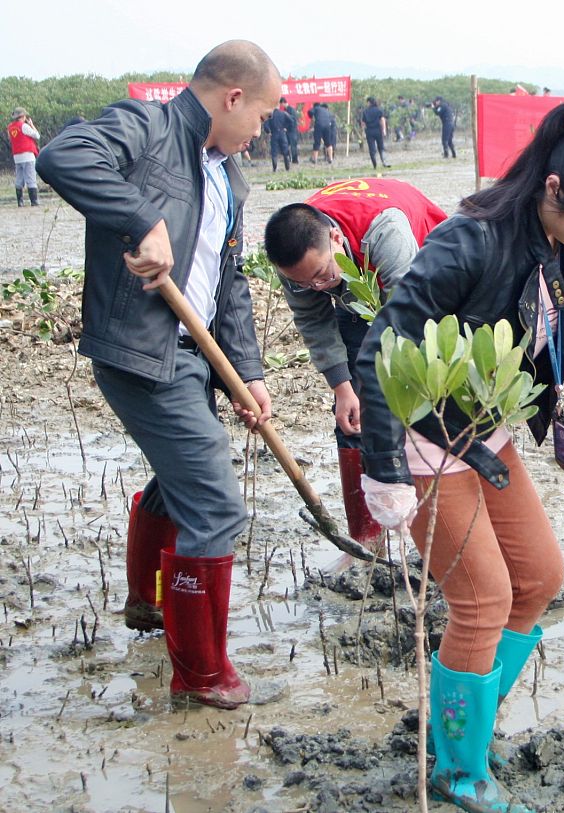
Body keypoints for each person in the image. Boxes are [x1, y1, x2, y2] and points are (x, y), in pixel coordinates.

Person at [355, 100, 564, 812]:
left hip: (487, 432)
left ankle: (469, 726)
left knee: (541, 576)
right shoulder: (469, 241)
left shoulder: (562, 247)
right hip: (430, 439)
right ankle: (460, 771)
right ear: (555, 190)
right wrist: (382, 469)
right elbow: (377, 352)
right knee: (482, 597)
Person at [36, 40, 282, 711]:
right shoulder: (145, 128)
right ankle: (201, 674)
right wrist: (141, 219)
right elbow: (63, 157)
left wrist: (246, 374)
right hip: (143, 352)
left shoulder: (230, 178)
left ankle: (147, 600)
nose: (261, 131)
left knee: (179, 484)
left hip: (195, 354)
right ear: (233, 97)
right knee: (216, 504)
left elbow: (227, 286)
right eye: (260, 115)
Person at [263, 179, 447, 552]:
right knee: (354, 415)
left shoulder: (385, 231)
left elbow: (412, 324)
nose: (315, 286)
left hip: (421, 284)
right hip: (356, 290)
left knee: (423, 405)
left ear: (334, 238)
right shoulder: (298, 265)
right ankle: (367, 541)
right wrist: (343, 389)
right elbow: (315, 323)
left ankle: (435, 533)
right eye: (304, 282)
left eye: (320, 274)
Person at [8, 108, 41, 206]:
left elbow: (11, 140)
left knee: (19, 178)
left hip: (17, 157)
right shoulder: (24, 126)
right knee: (31, 179)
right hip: (28, 156)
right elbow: (37, 136)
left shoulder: (10, 127)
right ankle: (34, 201)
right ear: (22, 117)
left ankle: (20, 202)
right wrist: (32, 125)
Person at [360, 96, 389, 169]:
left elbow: (363, 123)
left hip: (369, 132)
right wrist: (384, 130)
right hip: (378, 131)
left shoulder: (365, 111)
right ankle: (384, 162)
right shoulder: (379, 110)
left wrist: (363, 132)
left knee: (372, 148)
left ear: (369, 102)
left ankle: (374, 164)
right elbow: (382, 120)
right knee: (381, 147)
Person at [267, 97, 295, 171]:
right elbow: (292, 121)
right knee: (285, 150)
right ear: (278, 106)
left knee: (274, 151)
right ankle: (287, 167)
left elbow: (266, 125)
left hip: (274, 134)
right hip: (282, 133)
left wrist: (269, 131)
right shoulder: (283, 113)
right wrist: (287, 128)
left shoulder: (270, 115)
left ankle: (274, 167)